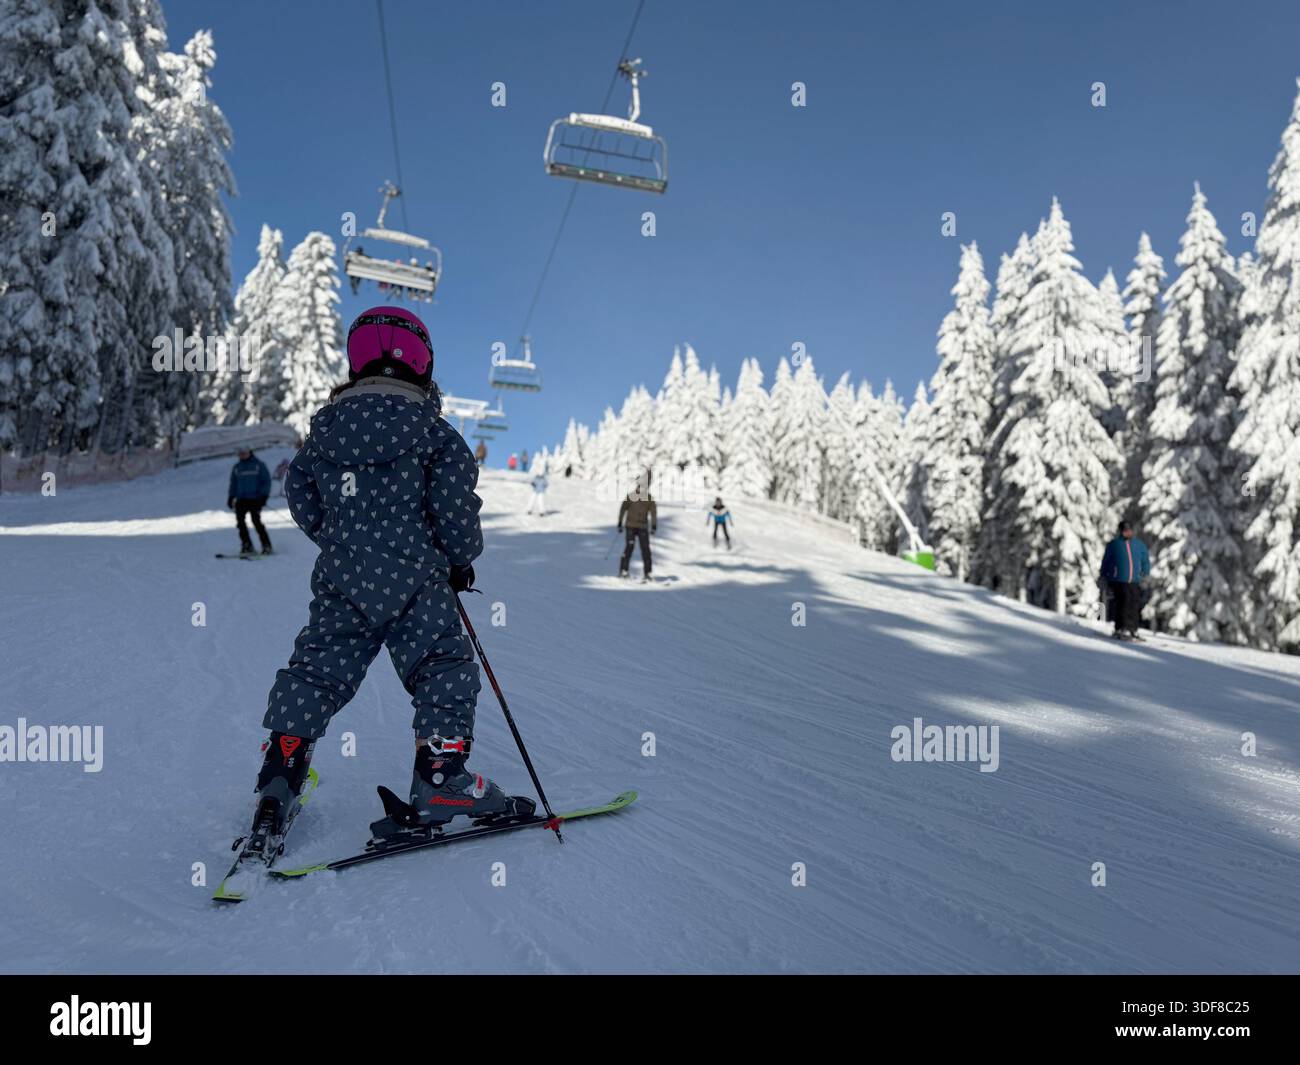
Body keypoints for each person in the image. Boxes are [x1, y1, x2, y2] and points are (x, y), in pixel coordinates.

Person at [245, 305, 525, 847]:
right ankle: (442, 779)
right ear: (422, 365)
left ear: (356, 364)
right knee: (441, 665)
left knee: (317, 669)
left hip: (344, 579)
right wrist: (458, 557)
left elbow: (302, 498)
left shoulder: (323, 438)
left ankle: (280, 776)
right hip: (418, 579)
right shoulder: (435, 434)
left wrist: (341, 541)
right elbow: (455, 511)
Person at [1099, 519, 1151, 641]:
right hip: (1119, 579)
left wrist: (1146, 574)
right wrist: (1103, 576)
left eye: (1129, 530)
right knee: (1123, 603)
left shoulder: (1139, 545)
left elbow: (1145, 561)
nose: (1127, 533)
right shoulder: (1114, 545)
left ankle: (1133, 629)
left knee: (1134, 604)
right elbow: (1106, 561)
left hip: (1134, 580)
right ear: (1121, 531)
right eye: (1124, 531)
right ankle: (1121, 628)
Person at [228, 448, 273, 555]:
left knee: (256, 521)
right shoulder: (237, 467)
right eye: (240, 453)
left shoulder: (258, 465)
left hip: (255, 499)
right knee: (240, 523)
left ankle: (266, 545)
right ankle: (247, 545)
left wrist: (264, 496)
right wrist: (231, 497)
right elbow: (233, 483)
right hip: (241, 499)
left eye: (244, 453)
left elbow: (266, 481)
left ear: (250, 452)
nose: (242, 455)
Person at [617, 472, 657, 579]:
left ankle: (648, 573)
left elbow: (653, 512)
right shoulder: (631, 496)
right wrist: (620, 523)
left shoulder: (649, 498)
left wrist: (654, 526)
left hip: (642, 527)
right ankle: (623, 570)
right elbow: (623, 509)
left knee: (645, 549)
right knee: (629, 547)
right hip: (630, 526)